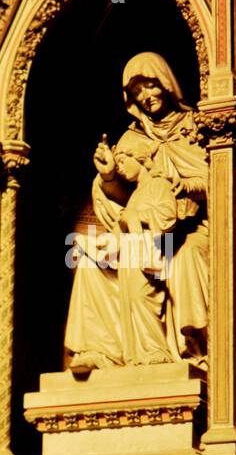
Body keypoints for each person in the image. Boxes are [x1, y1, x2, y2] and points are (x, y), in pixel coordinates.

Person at [65, 52, 208, 372]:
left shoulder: (196, 127)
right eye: (137, 91)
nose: (146, 96)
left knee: (184, 257)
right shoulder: (133, 137)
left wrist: (183, 186)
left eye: (151, 86)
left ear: (167, 84)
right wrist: (109, 176)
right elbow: (125, 201)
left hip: (195, 230)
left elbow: (224, 180)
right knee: (88, 260)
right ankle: (100, 349)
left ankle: (189, 351)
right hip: (147, 235)